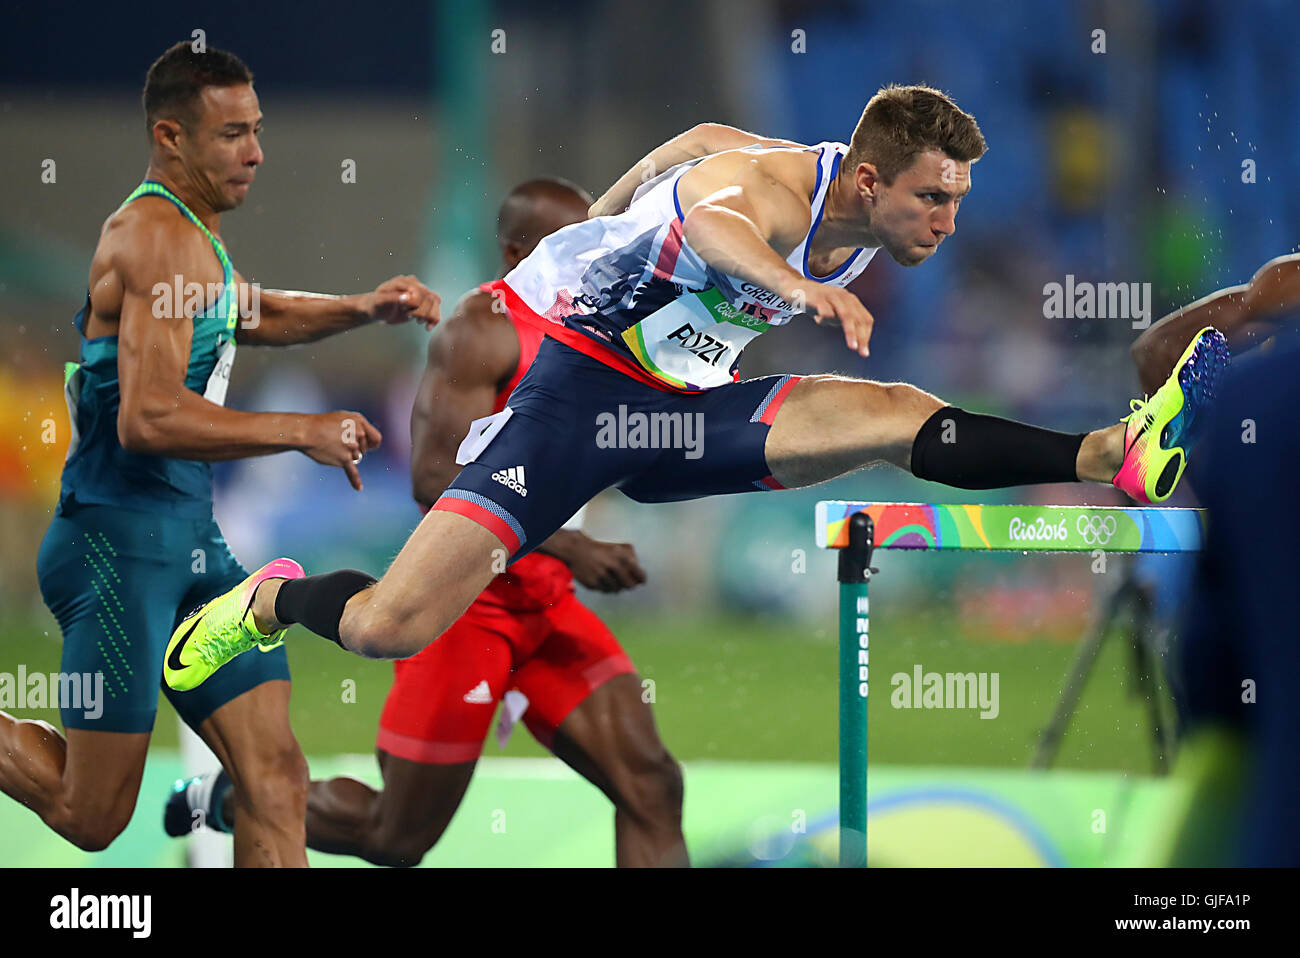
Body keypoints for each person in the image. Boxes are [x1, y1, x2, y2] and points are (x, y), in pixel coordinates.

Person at [163, 85, 1227, 696]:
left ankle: (1108, 453)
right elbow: (715, 216)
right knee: (391, 626)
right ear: (868, 182)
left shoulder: (770, 162)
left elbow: (690, 143)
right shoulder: (761, 191)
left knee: (893, 412)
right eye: (931, 200)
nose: (946, 224)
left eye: (955, 202)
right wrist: (797, 284)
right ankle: (268, 599)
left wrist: (608, 208)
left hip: (678, 410)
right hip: (571, 396)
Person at [168, 177, 725, 867]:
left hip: (545, 604)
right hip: (465, 605)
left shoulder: (596, 328)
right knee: (394, 838)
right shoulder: (480, 331)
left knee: (651, 785)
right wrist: (573, 543)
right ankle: (225, 798)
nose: (592, 255)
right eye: (571, 243)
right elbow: (433, 480)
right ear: (518, 251)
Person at [0, 41, 438, 867]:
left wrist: (361, 307)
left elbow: (249, 313)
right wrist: (298, 430)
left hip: (193, 547)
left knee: (273, 777)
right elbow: (147, 419)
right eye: (233, 134)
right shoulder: (153, 236)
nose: (257, 153)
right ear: (171, 137)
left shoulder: (193, 236)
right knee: (90, 815)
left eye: (258, 129)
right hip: (115, 548)